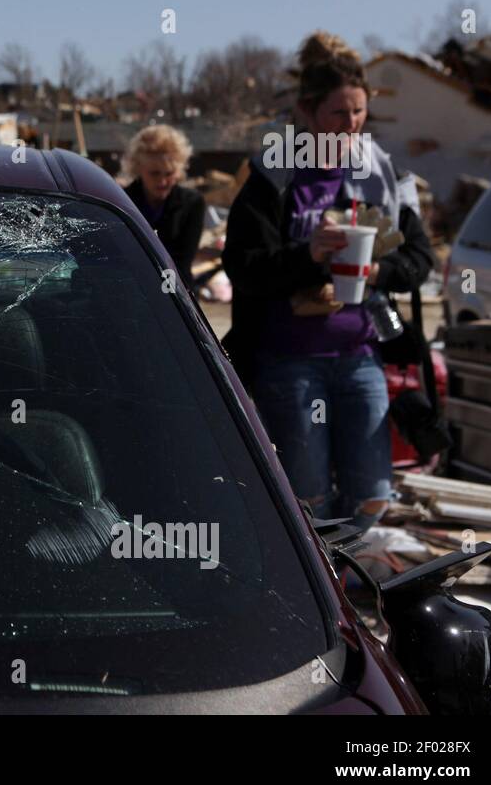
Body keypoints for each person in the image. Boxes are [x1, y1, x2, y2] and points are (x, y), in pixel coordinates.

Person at [222, 32, 434, 531]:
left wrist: (376, 269)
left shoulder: (380, 172)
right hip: (291, 366)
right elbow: (244, 266)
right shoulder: (274, 175)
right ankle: (321, 602)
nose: (352, 124)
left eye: (360, 113)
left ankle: (362, 597)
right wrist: (310, 255)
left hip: (361, 359)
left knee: (371, 496)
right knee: (307, 499)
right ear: (307, 112)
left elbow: (420, 259)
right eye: (340, 114)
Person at [122, 125, 206, 290]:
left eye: (169, 174)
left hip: (175, 291)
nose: (162, 182)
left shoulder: (192, 204)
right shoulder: (123, 201)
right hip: (131, 289)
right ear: (139, 168)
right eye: (154, 173)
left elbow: (181, 261)